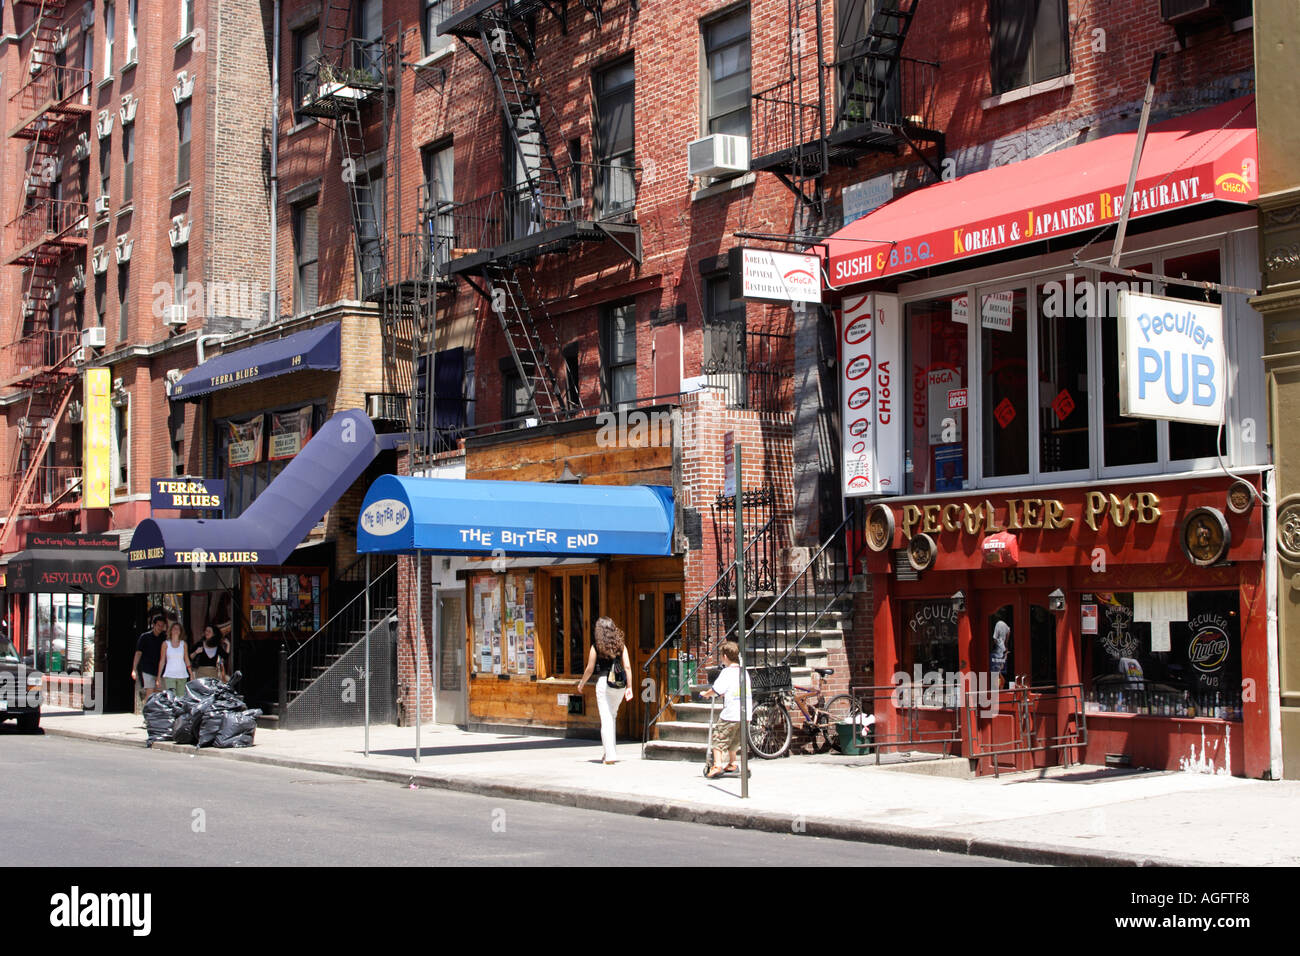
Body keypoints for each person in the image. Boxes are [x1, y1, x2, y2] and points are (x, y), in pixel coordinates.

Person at [575, 617, 632, 764]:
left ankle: (610, 755)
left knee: (606, 720)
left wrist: (582, 683)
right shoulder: (621, 645)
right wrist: (630, 687)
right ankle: (609, 751)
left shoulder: (596, 647)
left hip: (603, 684)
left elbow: (589, 668)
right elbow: (627, 667)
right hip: (619, 685)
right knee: (611, 718)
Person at [700, 641, 751, 779]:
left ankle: (717, 765)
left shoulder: (726, 672)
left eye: (722, 656)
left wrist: (706, 694)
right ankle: (732, 763)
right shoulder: (744, 671)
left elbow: (716, 689)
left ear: (726, 657)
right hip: (745, 713)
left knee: (719, 736)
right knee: (734, 740)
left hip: (731, 713)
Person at [131, 614, 167, 715]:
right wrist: (134, 669)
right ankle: (147, 716)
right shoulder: (145, 637)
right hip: (147, 668)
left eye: (162, 625)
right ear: (154, 625)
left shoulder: (164, 638)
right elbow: (138, 653)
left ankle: (155, 715)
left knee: (159, 693)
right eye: (158, 625)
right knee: (149, 692)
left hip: (160, 669)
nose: (160, 628)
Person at [157, 622, 192, 697]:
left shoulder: (183, 644)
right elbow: (162, 660)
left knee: (181, 698)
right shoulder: (166, 644)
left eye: (178, 629)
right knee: (171, 697)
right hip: (170, 674)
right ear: (171, 631)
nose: (176, 630)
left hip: (182, 674)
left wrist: (191, 673)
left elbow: (186, 659)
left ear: (180, 632)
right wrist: (158, 676)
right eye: (174, 628)